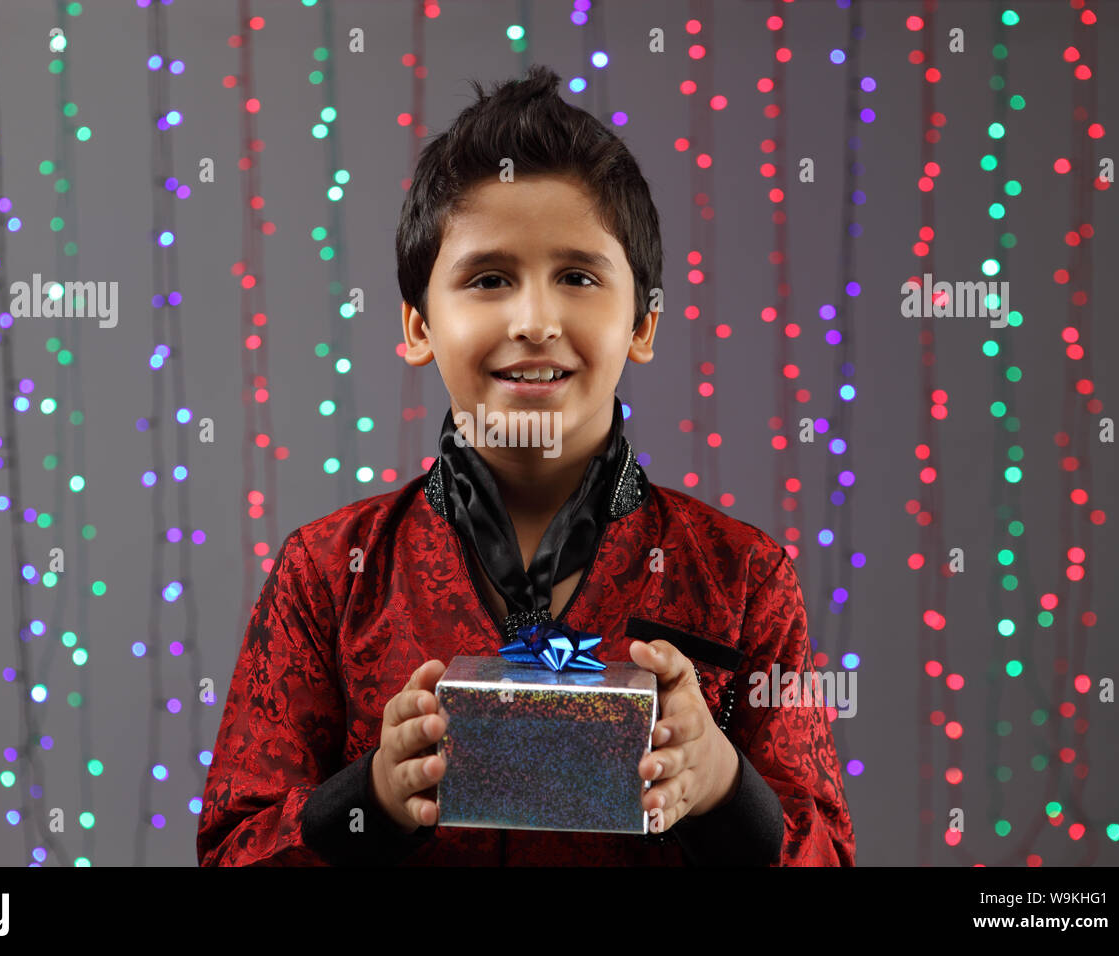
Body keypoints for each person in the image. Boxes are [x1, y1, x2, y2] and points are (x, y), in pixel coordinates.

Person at [197, 64, 855, 867]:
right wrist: (366, 798)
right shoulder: (327, 573)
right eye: (488, 279)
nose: (536, 320)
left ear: (643, 325)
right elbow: (231, 851)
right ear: (417, 324)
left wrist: (721, 785)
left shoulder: (745, 577)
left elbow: (829, 855)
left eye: (577, 277)